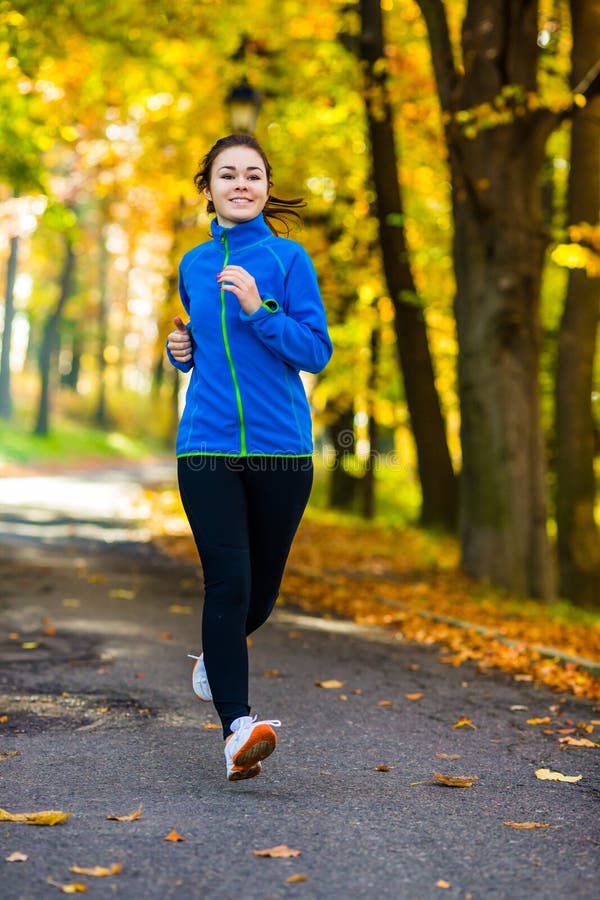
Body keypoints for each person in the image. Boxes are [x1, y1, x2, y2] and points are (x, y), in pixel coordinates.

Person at [166, 134, 332, 782]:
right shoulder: (191, 264)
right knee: (228, 584)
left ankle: (217, 653)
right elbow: (198, 343)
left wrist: (257, 307)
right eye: (227, 174)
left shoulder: (288, 260)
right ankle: (238, 728)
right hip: (206, 445)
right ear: (207, 187)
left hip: (282, 449)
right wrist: (179, 351)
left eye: (253, 175)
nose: (241, 184)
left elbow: (314, 352)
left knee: (260, 593)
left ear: (266, 187)